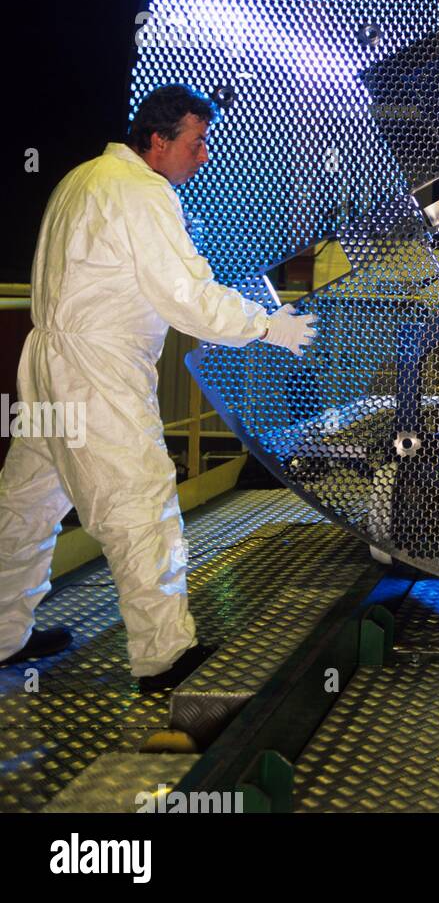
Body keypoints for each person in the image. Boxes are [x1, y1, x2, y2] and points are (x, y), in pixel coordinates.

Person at [0, 85, 316, 693]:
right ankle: (164, 657)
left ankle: (5, 632)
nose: (203, 157)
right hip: (98, 375)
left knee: (26, 507)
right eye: (196, 144)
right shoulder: (143, 193)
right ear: (157, 141)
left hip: (47, 368)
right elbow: (185, 296)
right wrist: (267, 325)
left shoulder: (82, 177)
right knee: (140, 506)